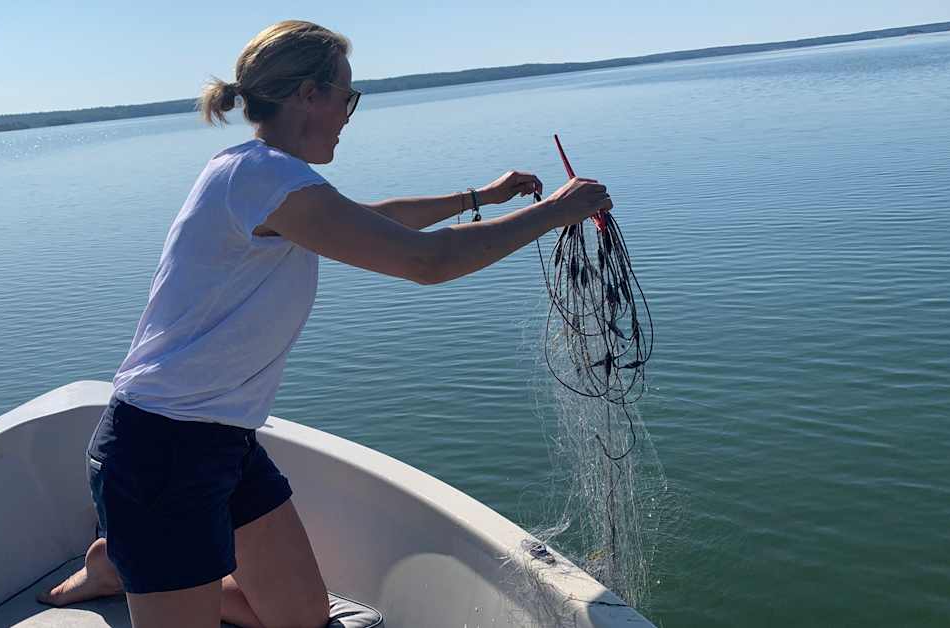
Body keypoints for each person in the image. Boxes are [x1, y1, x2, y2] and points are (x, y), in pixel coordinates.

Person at [37, 19, 612, 628]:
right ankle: (129, 566)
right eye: (348, 96)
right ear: (307, 95)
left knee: (303, 620)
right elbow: (427, 261)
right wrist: (555, 212)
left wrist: (478, 198)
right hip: (160, 449)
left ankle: (123, 565)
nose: (349, 113)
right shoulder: (260, 175)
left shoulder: (265, 175)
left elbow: (372, 220)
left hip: (223, 439)